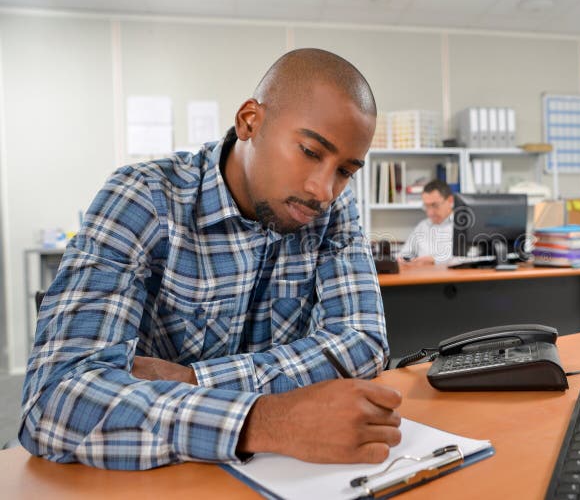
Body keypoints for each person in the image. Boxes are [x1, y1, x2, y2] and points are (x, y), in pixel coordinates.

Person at [19, 48, 403, 470]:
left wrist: (197, 380)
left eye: (345, 171)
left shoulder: (329, 211)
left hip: (277, 474)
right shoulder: (143, 198)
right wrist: (263, 422)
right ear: (249, 121)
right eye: (311, 152)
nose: (323, 190)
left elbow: (362, 342)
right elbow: (54, 400)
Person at [398, 179, 454, 265]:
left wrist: (434, 260)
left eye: (435, 205)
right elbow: (404, 254)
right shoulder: (422, 226)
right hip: (422, 276)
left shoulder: (463, 226)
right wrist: (402, 260)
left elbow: (469, 258)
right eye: (426, 206)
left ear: (450, 200)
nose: (430, 212)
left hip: (454, 277)